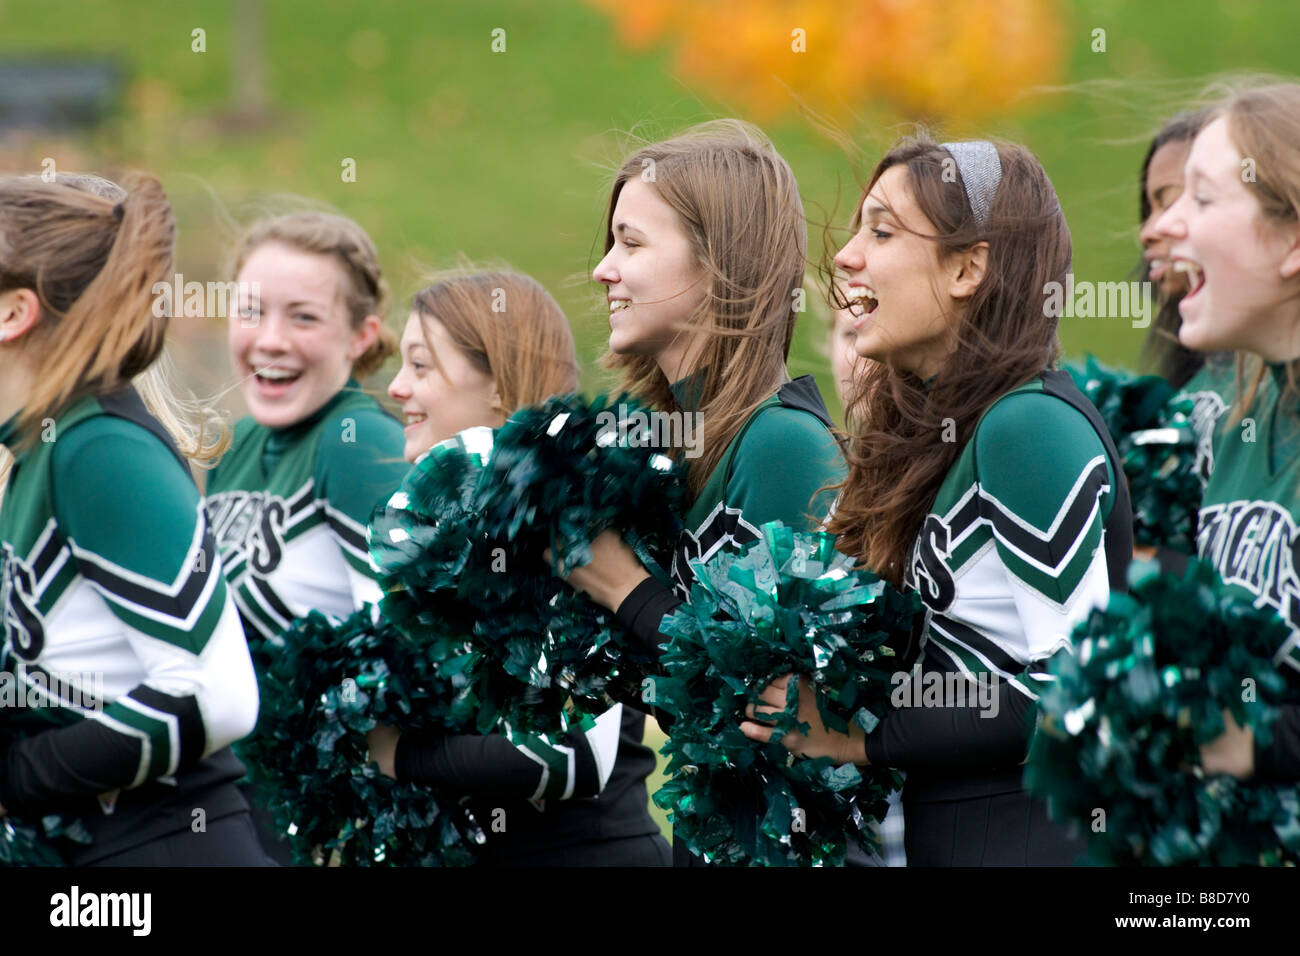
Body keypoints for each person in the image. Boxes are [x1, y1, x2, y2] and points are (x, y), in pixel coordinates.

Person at [739, 135, 1133, 865]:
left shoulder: (1030, 425)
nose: (848, 256)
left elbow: (1081, 690)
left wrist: (861, 733)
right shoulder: (958, 435)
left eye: (882, 231)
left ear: (966, 267)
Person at [553, 120, 848, 866]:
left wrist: (621, 584)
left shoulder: (782, 444)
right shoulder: (670, 443)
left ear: (719, 262)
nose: (603, 270)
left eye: (633, 242)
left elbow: (769, 702)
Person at [366, 270, 671, 865]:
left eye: (421, 366)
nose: (397, 388)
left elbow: (576, 756)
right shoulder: (431, 535)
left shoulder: (559, 524)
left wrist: (399, 757)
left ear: (500, 388)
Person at [0, 174, 262, 865]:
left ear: (14, 312)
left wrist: (19, 777)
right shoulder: (44, 448)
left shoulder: (99, 449)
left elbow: (218, 693)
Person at [204, 210, 408, 860]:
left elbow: (406, 649)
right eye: (252, 311)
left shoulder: (359, 441)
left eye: (303, 317)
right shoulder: (235, 446)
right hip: (237, 799)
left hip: (319, 818)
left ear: (361, 336)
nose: (270, 340)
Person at [1148, 82, 1300, 785]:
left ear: (1291, 238)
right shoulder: (1242, 413)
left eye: (1202, 200)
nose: (1167, 226)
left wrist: (1258, 743)